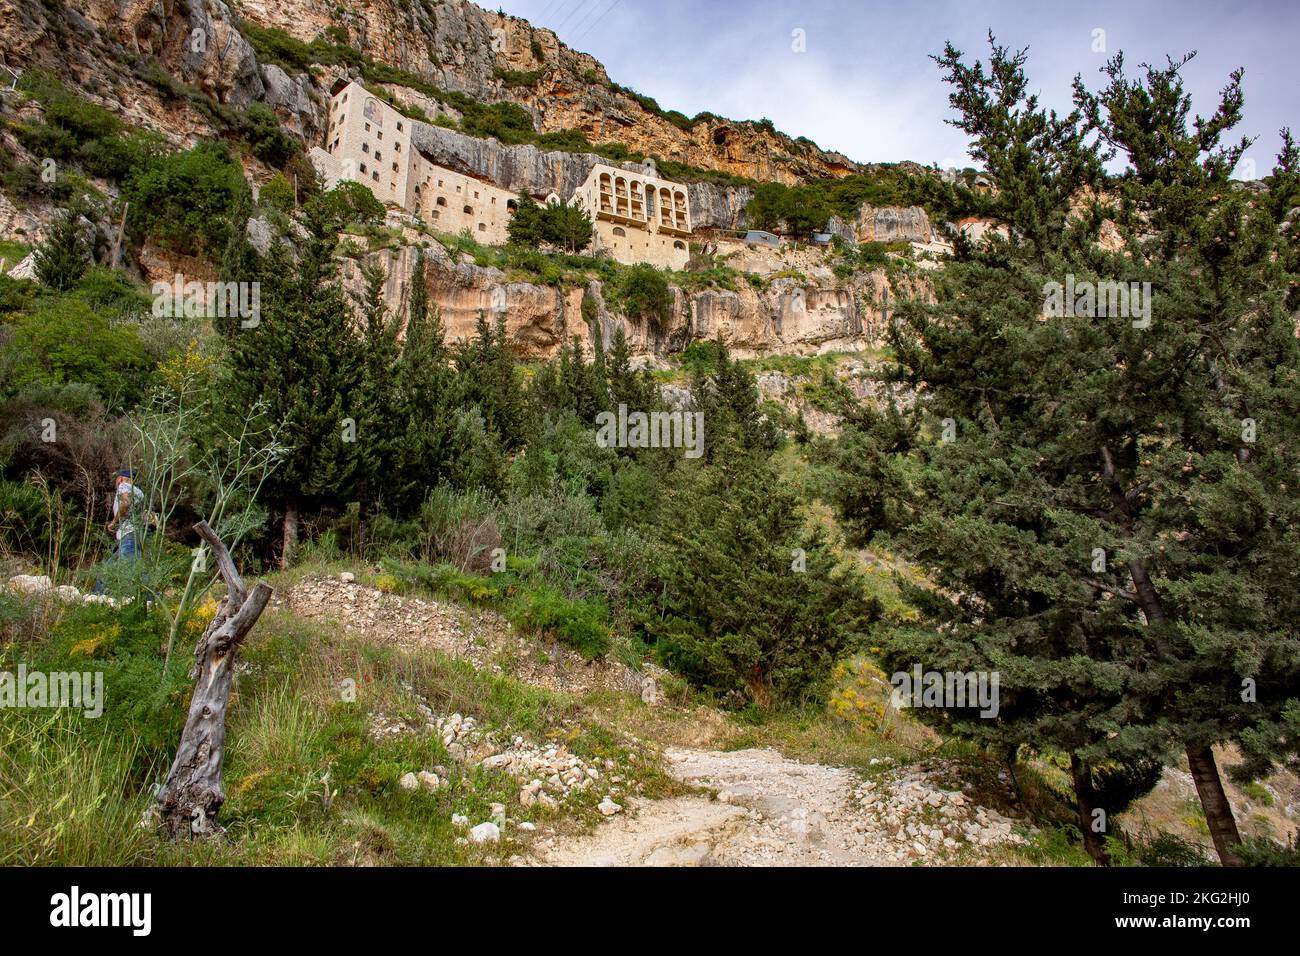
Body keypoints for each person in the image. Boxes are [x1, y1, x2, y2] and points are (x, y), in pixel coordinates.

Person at [94, 468, 145, 594]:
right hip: (135, 535)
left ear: (121, 478)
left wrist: (114, 522)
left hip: (128, 535)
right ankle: (97, 596)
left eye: (117, 479)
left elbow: (125, 503)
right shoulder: (139, 492)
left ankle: (149, 600)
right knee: (109, 569)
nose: (116, 482)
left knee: (130, 571)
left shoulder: (123, 486)